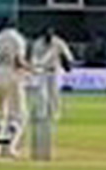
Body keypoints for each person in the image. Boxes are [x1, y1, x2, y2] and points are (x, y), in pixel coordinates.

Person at [27, 29, 75, 162]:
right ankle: (42, 115)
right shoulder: (38, 44)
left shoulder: (58, 43)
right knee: (41, 95)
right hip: (41, 71)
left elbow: (67, 57)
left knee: (54, 95)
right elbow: (34, 59)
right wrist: (35, 68)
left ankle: (54, 115)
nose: (49, 39)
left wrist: (67, 65)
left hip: (55, 71)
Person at [0, 22, 30, 158]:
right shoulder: (18, 39)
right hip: (13, 77)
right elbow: (19, 61)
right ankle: (10, 147)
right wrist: (31, 68)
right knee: (19, 114)